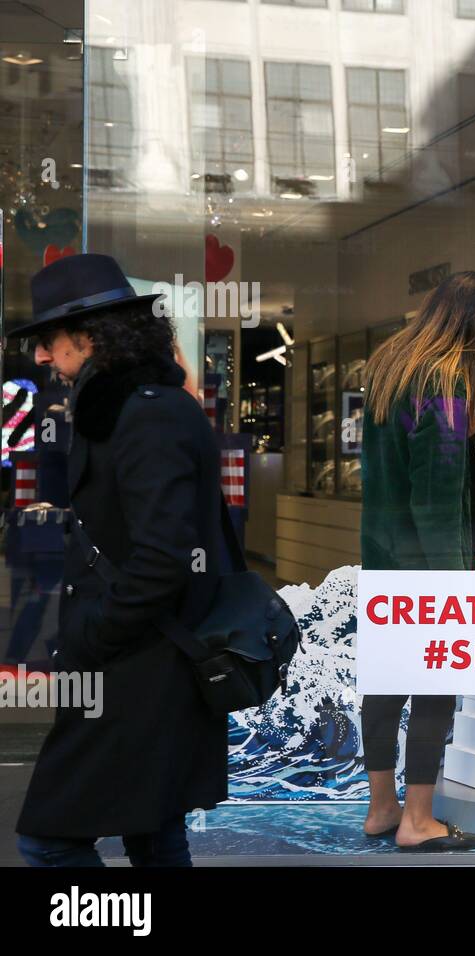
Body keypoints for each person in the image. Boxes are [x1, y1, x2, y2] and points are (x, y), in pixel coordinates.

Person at [12, 253, 230, 866]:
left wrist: (90, 636)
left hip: (140, 669)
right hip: (144, 662)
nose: (40, 357)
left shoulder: (147, 412)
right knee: (156, 835)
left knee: (47, 841)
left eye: (48, 341)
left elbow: (162, 560)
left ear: (87, 336)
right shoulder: (132, 405)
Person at [359, 271, 475, 852]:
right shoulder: (445, 382)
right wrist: (455, 585)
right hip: (427, 566)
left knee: (385, 683)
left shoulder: (388, 366)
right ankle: (418, 820)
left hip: (382, 556)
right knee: (434, 687)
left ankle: (381, 809)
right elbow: (437, 499)